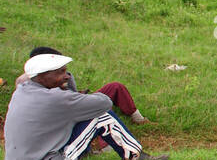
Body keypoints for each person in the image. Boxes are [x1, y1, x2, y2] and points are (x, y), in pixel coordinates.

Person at [3, 52, 167, 160]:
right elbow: (104, 103)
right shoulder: (57, 98)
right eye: (61, 72)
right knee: (103, 116)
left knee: (79, 118)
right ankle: (135, 157)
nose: (66, 76)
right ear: (42, 76)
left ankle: (99, 151)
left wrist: (61, 84)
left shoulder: (22, 91)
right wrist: (67, 89)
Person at [14, 46, 148, 124]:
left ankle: (138, 118)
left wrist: (78, 95)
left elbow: (72, 95)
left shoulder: (65, 76)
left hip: (72, 104)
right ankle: (105, 146)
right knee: (100, 113)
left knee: (115, 87)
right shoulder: (24, 83)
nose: (65, 75)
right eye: (59, 69)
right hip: (61, 115)